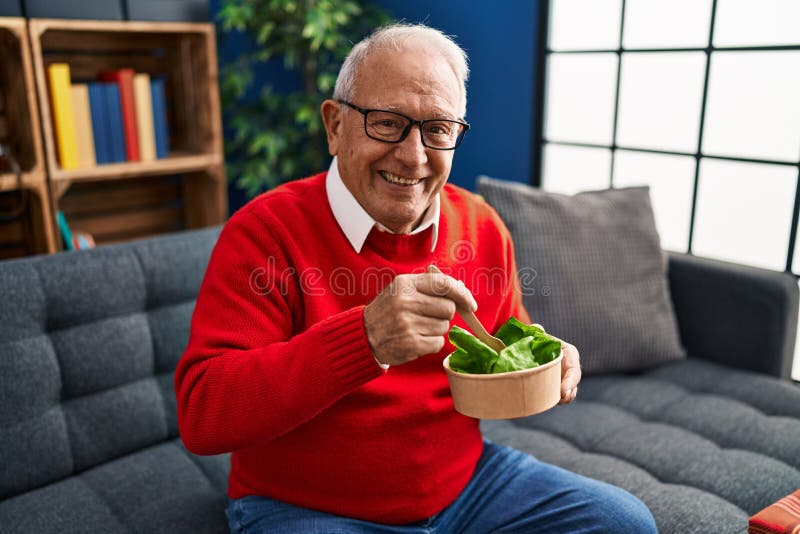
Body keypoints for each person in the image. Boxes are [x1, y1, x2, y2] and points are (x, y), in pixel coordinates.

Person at [175, 23, 658, 534]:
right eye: (386, 123)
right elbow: (204, 414)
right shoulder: (265, 232)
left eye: (438, 129)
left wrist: (546, 359)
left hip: (469, 490)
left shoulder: (481, 226)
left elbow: (505, 340)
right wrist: (364, 339)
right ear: (335, 125)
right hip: (306, 506)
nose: (414, 156)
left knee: (625, 523)